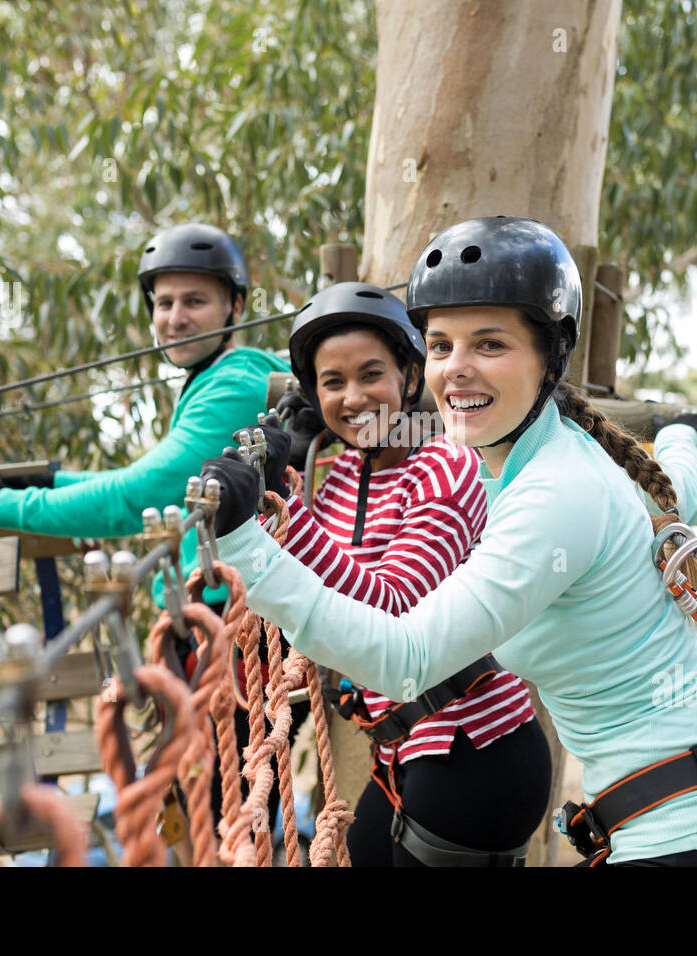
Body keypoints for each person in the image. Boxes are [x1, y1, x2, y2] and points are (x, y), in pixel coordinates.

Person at [200, 216, 697, 866]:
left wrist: (246, 540)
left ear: (551, 354)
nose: (457, 371)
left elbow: (405, 657)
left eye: (489, 345)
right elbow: (674, 489)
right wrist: (680, 435)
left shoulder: (555, 492)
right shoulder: (555, 458)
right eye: (441, 346)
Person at [272, 280, 549, 866]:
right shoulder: (341, 472)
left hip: (476, 749)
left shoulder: (446, 464)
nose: (353, 398)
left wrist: (283, 510)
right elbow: (305, 587)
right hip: (402, 749)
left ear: (410, 378)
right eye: (332, 382)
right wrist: (291, 473)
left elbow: (394, 604)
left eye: (372, 375)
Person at [0, 222, 289, 612]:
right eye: (165, 303)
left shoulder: (233, 386)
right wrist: (53, 481)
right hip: (222, 603)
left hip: (233, 614)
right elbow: (160, 480)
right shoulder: (222, 375)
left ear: (235, 307)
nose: (175, 319)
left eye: (194, 302)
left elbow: (137, 496)